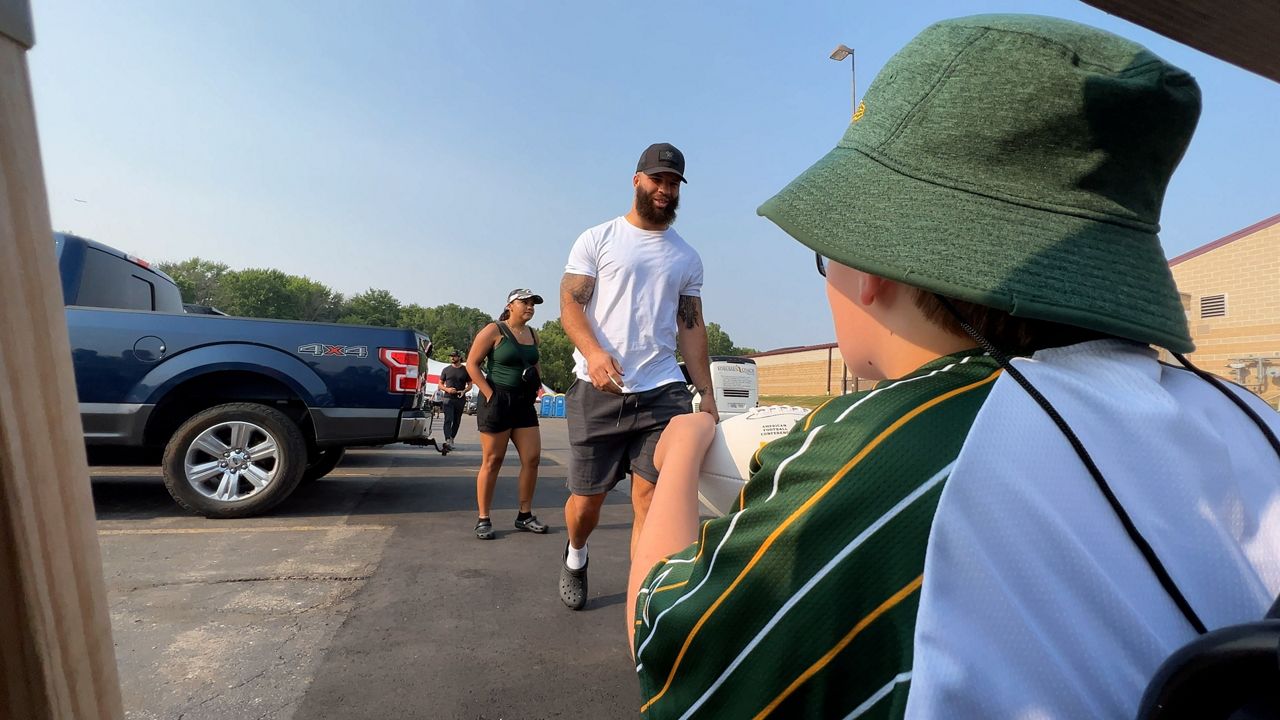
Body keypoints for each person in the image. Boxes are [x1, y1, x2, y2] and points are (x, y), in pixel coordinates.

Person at [628, 14, 1280, 719]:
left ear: (875, 262)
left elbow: (664, 639)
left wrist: (684, 453)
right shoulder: (1253, 424)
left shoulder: (893, 453)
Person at [558, 142, 719, 611]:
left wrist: (705, 392)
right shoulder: (598, 239)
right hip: (598, 389)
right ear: (637, 180)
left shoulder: (687, 258)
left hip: (662, 393)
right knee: (586, 505)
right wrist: (593, 353)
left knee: (648, 497)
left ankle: (640, 602)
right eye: (658, 180)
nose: (666, 190)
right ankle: (575, 553)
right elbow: (570, 304)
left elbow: (691, 326)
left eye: (673, 183)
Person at [464, 289, 549, 540]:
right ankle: (483, 519)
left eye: (533, 304)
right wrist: (490, 394)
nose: (530, 307)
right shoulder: (494, 330)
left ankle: (525, 515)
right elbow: (472, 364)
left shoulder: (533, 334)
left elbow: (534, 363)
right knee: (493, 461)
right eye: (525, 302)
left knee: (532, 458)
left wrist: (538, 387)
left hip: (524, 402)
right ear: (510, 305)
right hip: (498, 399)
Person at [437, 349, 472, 451]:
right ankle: (447, 440)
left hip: (460, 398)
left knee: (457, 420)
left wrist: (464, 391)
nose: (452, 358)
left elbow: (470, 384)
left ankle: (452, 438)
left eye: (454, 356)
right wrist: (447, 389)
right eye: (451, 356)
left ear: (459, 357)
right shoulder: (446, 369)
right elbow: (440, 384)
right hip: (448, 398)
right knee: (448, 419)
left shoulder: (465, 370)